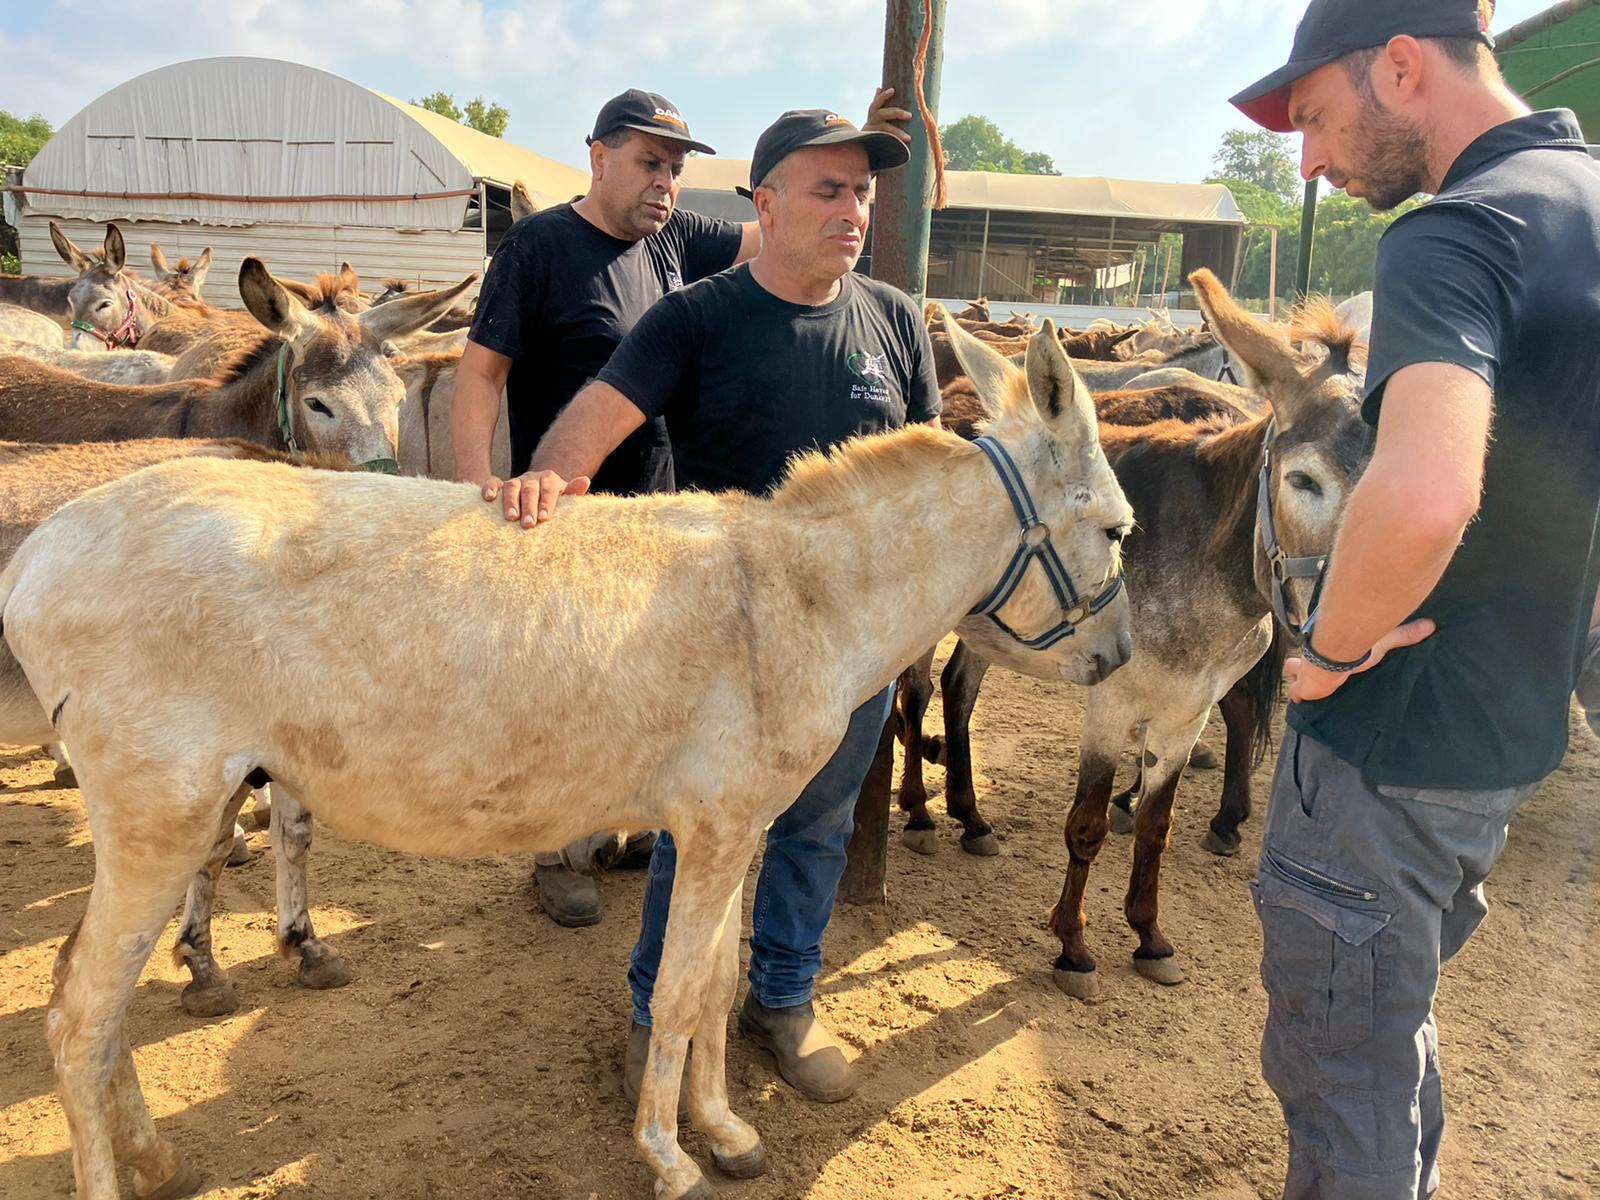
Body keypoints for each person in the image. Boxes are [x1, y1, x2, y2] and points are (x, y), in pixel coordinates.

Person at [1230, 2, 1600, 1196]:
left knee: (1343, 1084)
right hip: (1504, 740)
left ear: (1400, 66)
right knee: (1393, 1025)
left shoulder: (1456, 231)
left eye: (1318, 119)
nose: (1312, 161)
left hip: (1387, 747)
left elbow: (1428, 489)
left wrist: (1327, 656)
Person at [501, 108, 940, 1104]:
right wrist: (547, 480)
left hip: (853, 651)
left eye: (862, 192)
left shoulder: (894, 320)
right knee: (697, 836)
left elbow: (927, 484)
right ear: (767, 203)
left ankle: (782, 1001)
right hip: (724, 653)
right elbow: (594, 419)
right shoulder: (696, 318)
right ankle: (660, 1015)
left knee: (814, 829)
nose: (852, 210)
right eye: (827, 191)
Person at [454, 87, 911, 926]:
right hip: (574, 512)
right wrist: (482, 481)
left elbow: (780, 231)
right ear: (598, 157)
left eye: (674, 168)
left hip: (665, 518)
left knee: (653, 724)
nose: (665, 183)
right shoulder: (541, 246)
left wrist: (856, 156)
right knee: (573, 695)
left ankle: (627, 830)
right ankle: (557, 848)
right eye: (648, 164)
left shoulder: (673, 241)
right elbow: (481, 372)